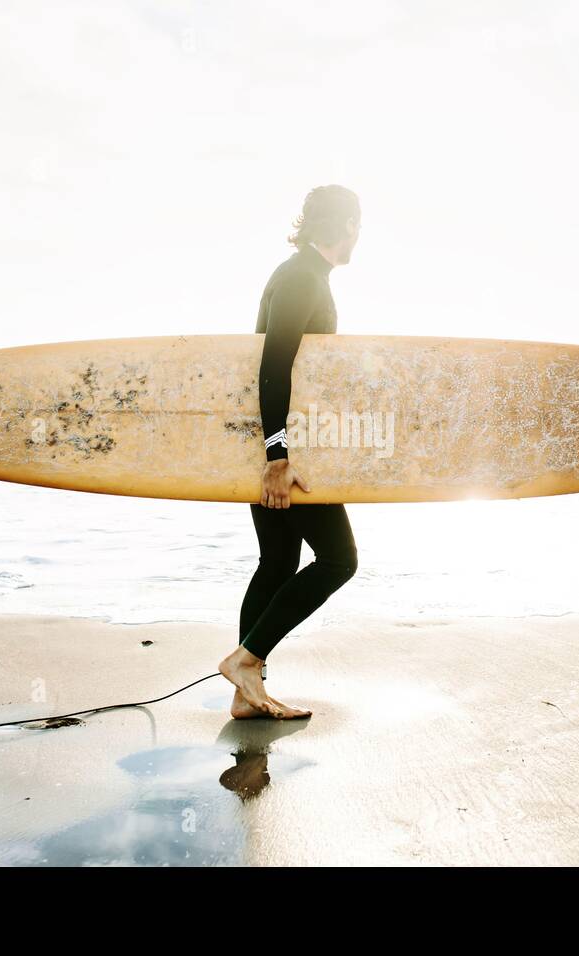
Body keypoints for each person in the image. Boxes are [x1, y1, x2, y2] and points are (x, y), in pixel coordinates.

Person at [217, 185, 362, 719]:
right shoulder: (301, 278)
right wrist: (277, 456)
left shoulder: (303, 273)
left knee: (278, 563)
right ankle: (246, 660)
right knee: (339, 560)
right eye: (357, 225)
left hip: (274, 443)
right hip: (285, 450)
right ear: (343, 224)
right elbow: (273, 366)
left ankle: (245, 692)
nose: (359, 237)